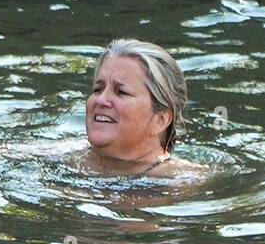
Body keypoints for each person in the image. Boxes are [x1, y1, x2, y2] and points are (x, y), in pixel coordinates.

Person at [84, 38, 199, 177]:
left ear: (161, 120)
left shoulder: (180, 182)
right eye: (97, 89)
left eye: (121, 92)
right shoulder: (61, 154)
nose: (101, 100)